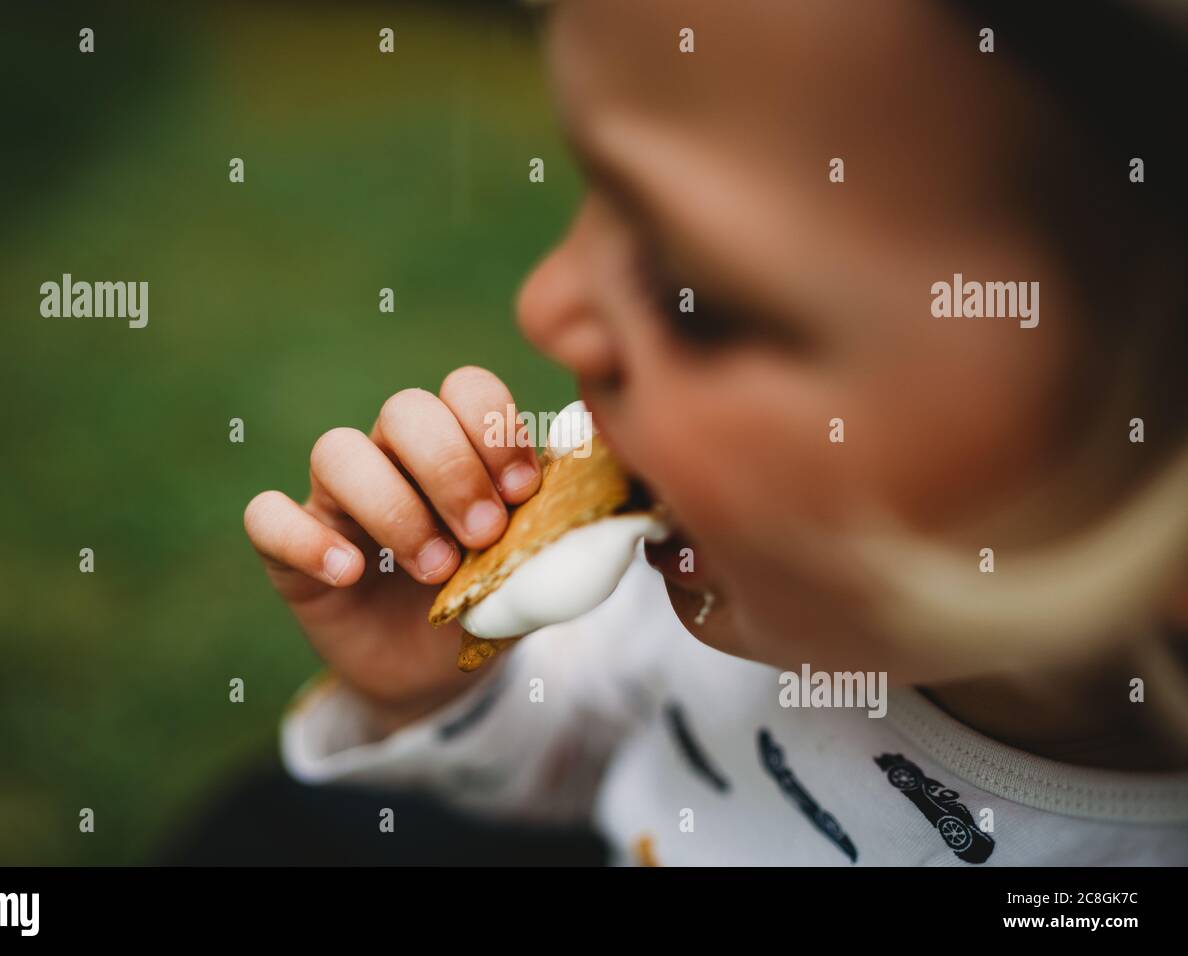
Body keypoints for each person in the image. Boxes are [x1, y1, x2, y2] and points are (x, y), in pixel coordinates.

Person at [240, 0, 1188, 864]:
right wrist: (437, 691)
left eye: (698, 300)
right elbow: (584, 760)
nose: (544, 305)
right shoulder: (718, 594)